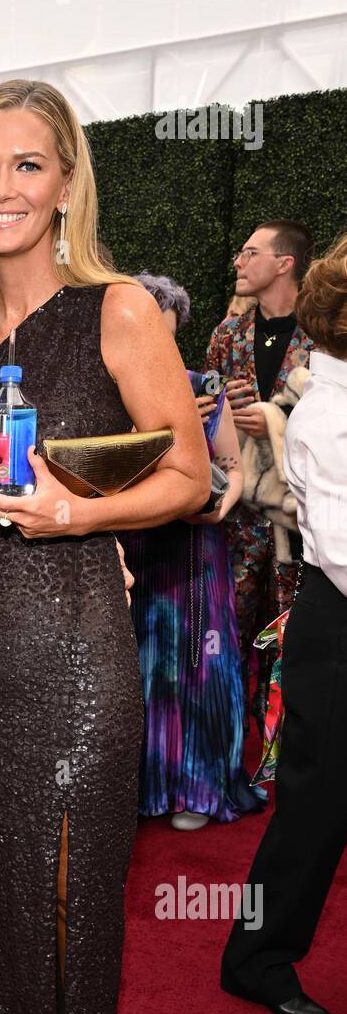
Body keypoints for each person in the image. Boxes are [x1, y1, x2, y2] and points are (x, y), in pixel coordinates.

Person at [0, 80, 209, 1014]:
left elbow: (186, 473)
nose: (0, 187)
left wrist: (79, 514)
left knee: (62, 877)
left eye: (25, 164)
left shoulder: (117, 309)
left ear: (64, 183)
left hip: (75, 644)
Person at [220, 231, 347, 1014]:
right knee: (315, 808)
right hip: (336, 632)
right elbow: (338, 550)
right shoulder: (328, 414)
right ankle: (256, 959)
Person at [120, 273, 265, 830]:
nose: (162, 346)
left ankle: (196, 788)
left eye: (171, 334)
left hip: (196, 550)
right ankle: (135, 784)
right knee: (137, 666)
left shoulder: (204, 386)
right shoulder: (107, 393)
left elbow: (231, 466)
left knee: (199, 665)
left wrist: (216, 508)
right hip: (134, 547)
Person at [206, 222, 315, 731]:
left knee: (294, 641)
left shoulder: (325, 337)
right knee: (225, 634)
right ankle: (225, 750)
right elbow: (204, 418)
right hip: (237, 518)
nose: (239, 262)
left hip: (303, 519)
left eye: (250, 253)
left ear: (284, 263)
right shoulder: (227, 336)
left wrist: (277, 422)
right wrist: (221, 412)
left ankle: (283, 746)